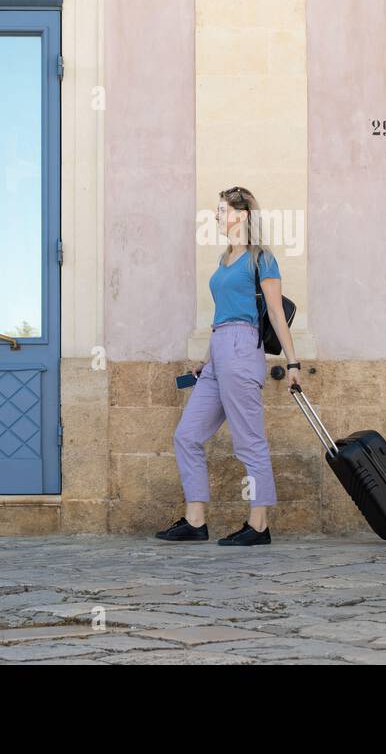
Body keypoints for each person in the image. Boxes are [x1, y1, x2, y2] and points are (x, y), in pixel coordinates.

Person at [155, 185, 300, 545]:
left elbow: (277, 314)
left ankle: (259, 525)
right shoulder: (224, 260)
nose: (217, 217)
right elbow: (221, 315)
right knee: (186, 435)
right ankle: (195, 519)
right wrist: (207, 360)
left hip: (242, 347)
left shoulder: (261, 258)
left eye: (222, 211)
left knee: (249, 442)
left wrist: (293, 362)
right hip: (219, 349)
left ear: (242, 215)